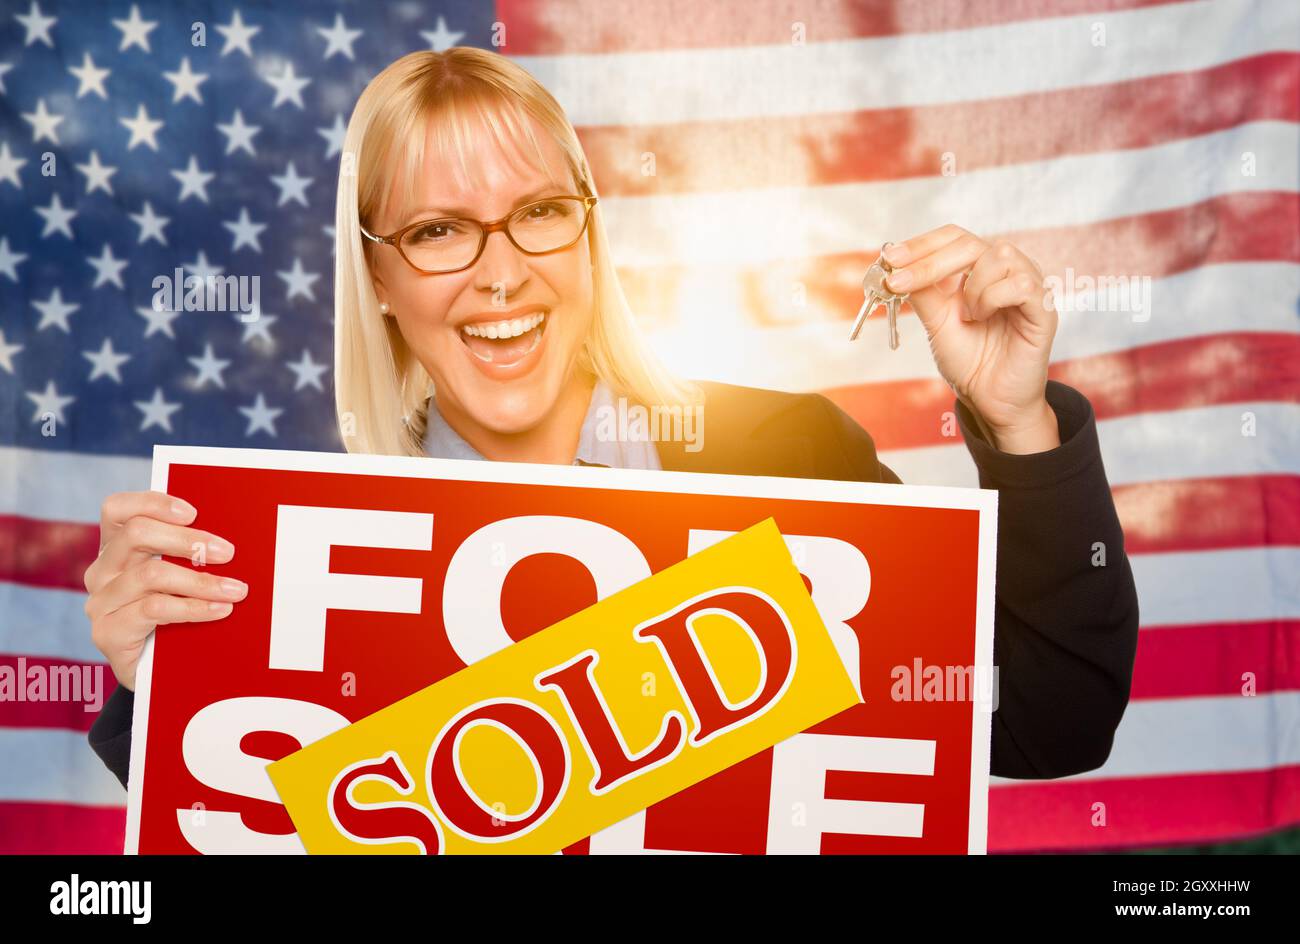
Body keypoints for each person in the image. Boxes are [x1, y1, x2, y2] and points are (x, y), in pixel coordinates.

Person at [85, 48, 1138, 792]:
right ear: (379, 278)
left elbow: (1054, 715)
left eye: (540, 212)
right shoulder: (292, 559)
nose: (502, 275)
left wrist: (1014, 420)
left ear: (588, 233)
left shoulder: (787, 459)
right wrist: (160, 689)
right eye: (440, 229)